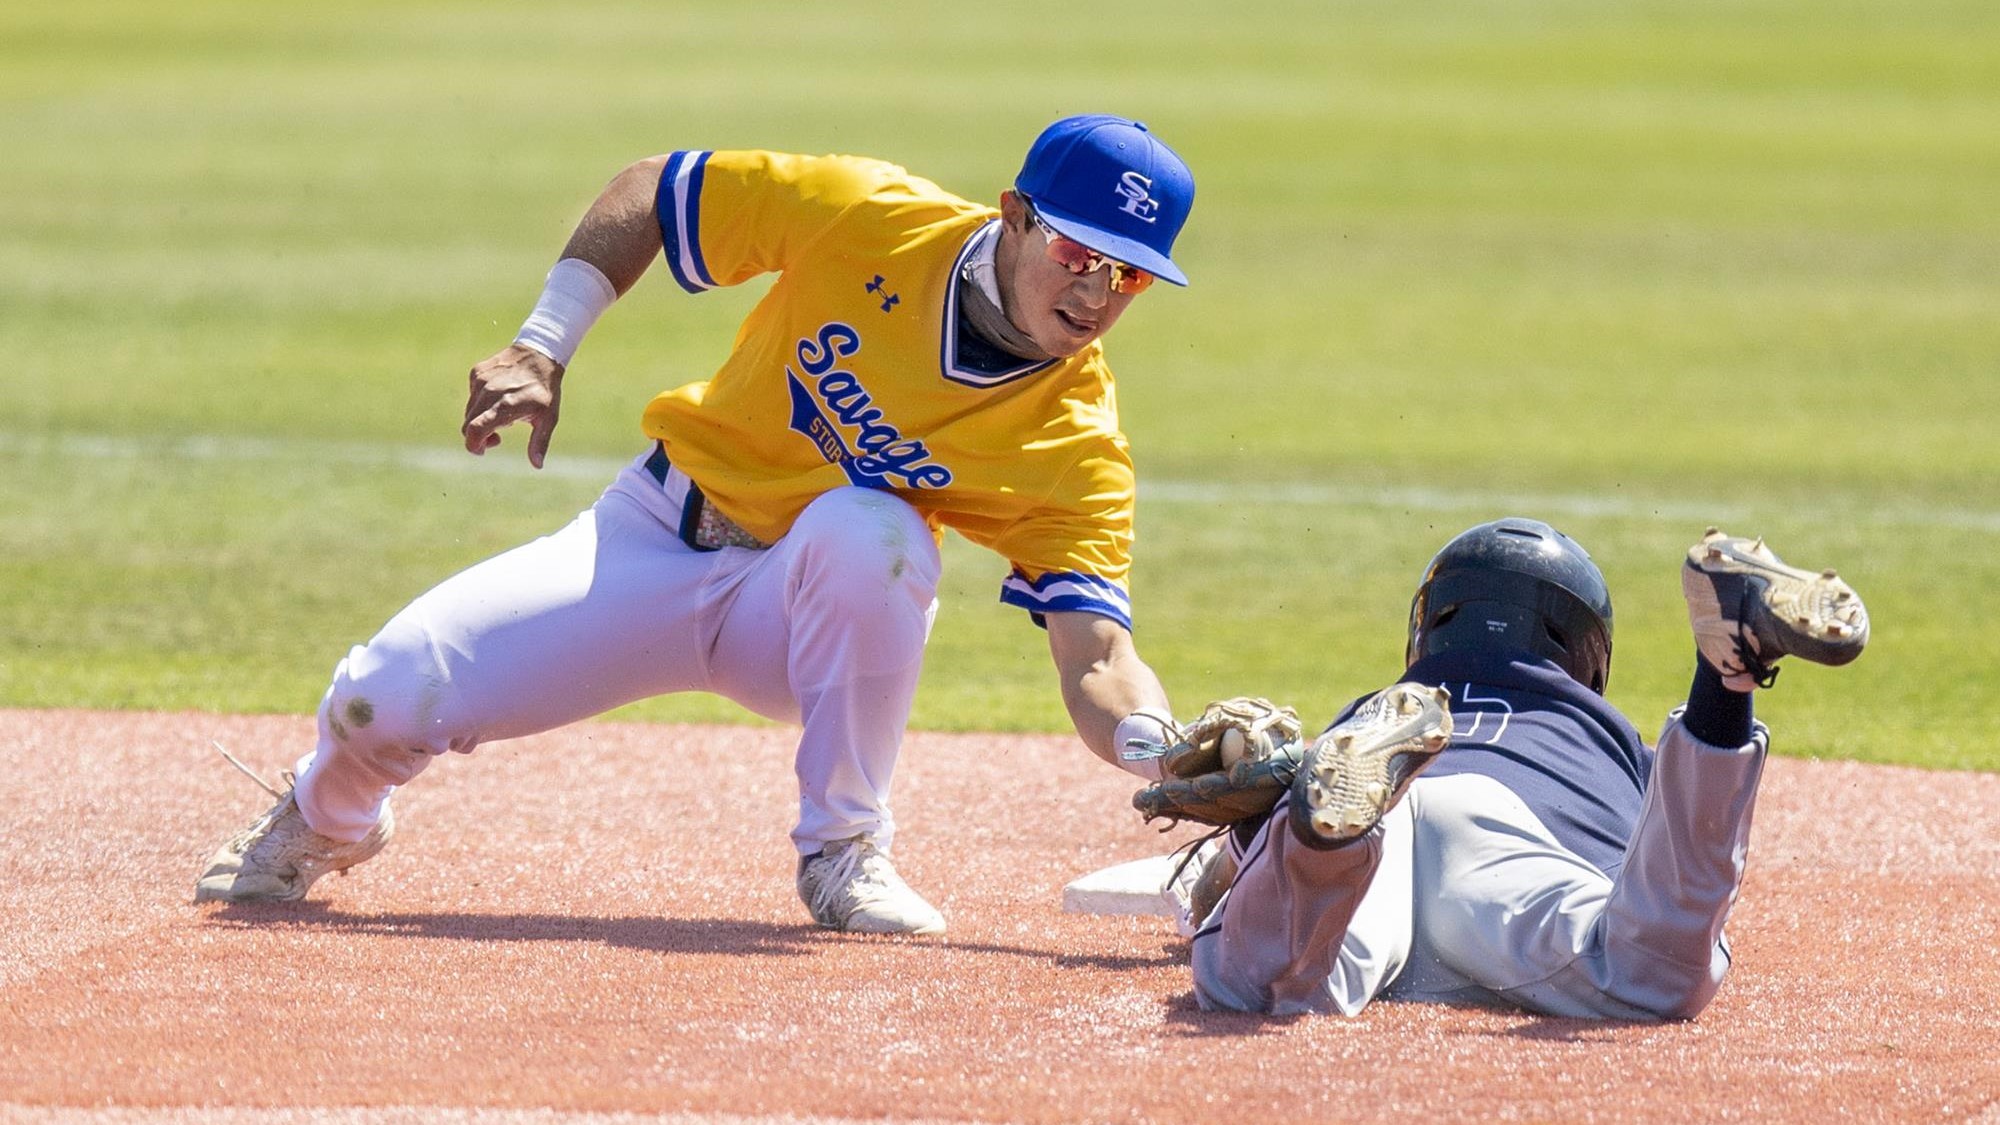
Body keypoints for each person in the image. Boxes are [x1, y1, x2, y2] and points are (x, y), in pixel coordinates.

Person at [194, 115, 1202, 936]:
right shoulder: (869, 217)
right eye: (1080, 251)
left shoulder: (1074, 445)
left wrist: (1169, 754)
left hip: (793, 622)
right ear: (1015, 215)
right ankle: (327, 820)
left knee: (873, 530)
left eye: (1131, 275)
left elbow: (1097, 657)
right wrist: (543, 344)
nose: (1096, 292)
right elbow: (651, 189)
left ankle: (845, 852)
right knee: (379, 700)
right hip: (650, 537)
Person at [1178, 518, 1868, 1019]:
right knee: (1653, 973)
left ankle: (1316, 847)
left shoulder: (1371, 714)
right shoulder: (1608, 737)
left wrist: (1251, 831)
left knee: (1258, 984)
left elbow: (1215, 895)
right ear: (1587, 653)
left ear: (1429, 630)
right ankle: (1728, 672)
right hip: (1513, 848)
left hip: (1389, 815)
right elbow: (1670, 861)